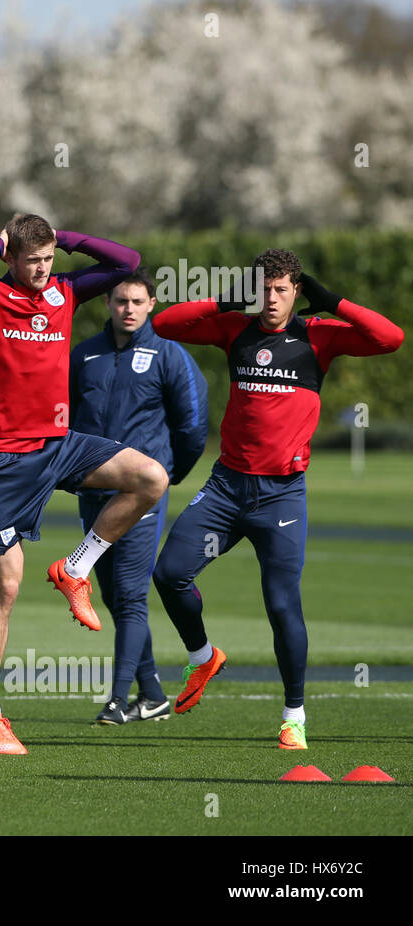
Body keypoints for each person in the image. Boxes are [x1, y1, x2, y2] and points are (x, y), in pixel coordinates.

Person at [0, 213, 168, 755]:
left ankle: (77, 566)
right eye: (30, 259)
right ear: (11, 257)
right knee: (4, 589)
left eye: (47, 259)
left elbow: (127, 262)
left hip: (58, 443)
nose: (41, 269)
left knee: (150, 478)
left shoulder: (65, 290)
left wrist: (69, 239)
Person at [151, 249, 404, 749]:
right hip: (225, 489)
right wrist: (227, 298)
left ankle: (294, 715)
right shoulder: (235, 330)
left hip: (281, 498)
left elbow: (390, 338)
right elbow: (164, 323)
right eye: (264, 289)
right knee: (168, 574)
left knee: (282, 606)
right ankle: (204, 659)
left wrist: (334, 301)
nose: (271, 299)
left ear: (296, 291)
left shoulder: (319, 336)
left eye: (282, 290)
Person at [69, 268, 208, 724]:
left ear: (152, 305)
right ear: (108, 303)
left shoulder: (169, 355)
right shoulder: (83, 354)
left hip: (142, 497)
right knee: (112, 596)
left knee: (130, 597)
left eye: (137, 302)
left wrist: (167, 477)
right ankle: (152, 694)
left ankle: (117, 700)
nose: (128, 309)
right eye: (120, 301)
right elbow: (64, 419)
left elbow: (192, 427)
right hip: (92, 492)